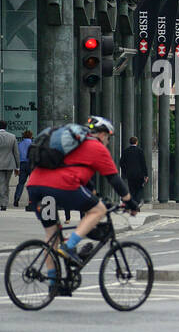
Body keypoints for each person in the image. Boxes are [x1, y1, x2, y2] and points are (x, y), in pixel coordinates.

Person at [25, 117, 139, 285]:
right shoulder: (96, 147)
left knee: (51, 238)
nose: (108, 141)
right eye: (108, 137)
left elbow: (88, 185)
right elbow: (114, 179)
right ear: (101, 134)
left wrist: (95, 196)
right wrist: (130, 202)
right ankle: (69, 246)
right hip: (61, 186)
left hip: (36, 187)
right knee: (98, 210)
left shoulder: (73, 147)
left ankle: (53, 284)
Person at [119, 136, 149, 205]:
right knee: (139, 189)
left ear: (130, 142)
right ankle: (136, 202)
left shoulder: (126, 151)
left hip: (130, 175)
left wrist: (125, 171)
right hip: (139, 175)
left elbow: (121, 163)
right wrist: (146, 175)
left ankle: (133, 203)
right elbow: (143, 164)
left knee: (131, 189)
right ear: (136, 142)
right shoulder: (140, 151)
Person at [12, 129, 33, 208]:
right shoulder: (32, 144)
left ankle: (16, 200)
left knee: (20, 183)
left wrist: (16, 167)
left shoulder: (19, 144)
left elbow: (16, 155)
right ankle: (31, 201)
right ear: (31, 136)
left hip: (22, 164)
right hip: (31, 165)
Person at [0, 121, 18, 210]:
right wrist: (17, 166)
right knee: (6, 184)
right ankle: (4, 203)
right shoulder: (12, 136)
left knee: (1, 184)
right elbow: (16, 153)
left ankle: (3, 203)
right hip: (10, 164)